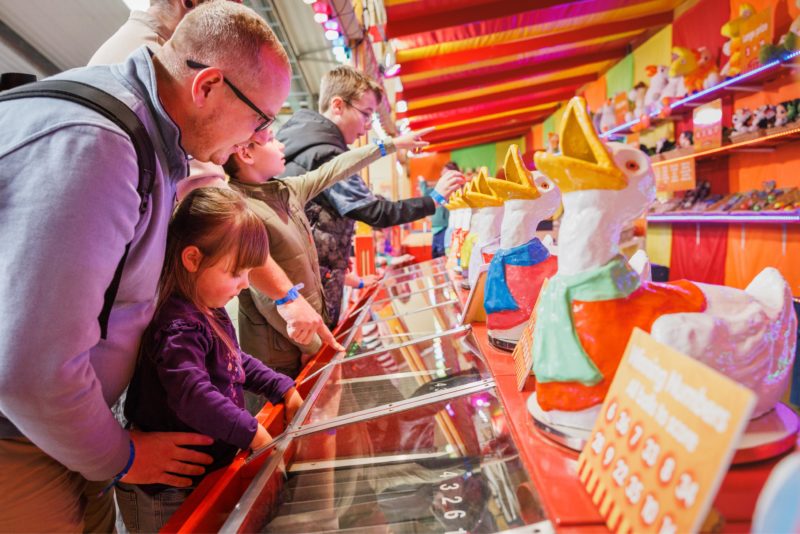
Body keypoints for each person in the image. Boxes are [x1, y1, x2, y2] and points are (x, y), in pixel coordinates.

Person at [0, 3, 290, 531]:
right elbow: (29, 370)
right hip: (20, 440)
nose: (257, 140)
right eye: (261, 119)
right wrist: (121, 455)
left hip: (61, 432)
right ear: (208, 86)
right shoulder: (99, 144)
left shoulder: (146, 138)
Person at [89, 0, 340, 363]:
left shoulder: (155, 62)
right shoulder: (152, 73)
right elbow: (217, 208)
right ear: (206, 87)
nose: (249, 140)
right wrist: (288, 301)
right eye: (259, 121)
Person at [118, 187, 302, 532]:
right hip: (167, 491)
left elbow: (234, 360)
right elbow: (192, 395)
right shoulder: (178, 323)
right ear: (192, 259)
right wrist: (252, 433)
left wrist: (280, 387)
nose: (245, 284)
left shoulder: (208, 309)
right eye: (236, 273)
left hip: (199, 479)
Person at [223, 126, 430, 382]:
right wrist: (314, 345)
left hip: (309, 338)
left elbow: (335, 169)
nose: (282, 146)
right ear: (245, 153)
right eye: (271, 140)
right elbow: (267, 297)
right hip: (280, 355)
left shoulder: (285, 191)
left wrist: (390, 145)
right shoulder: (240, 210)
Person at [278, 65, 464, 324]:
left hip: (300, 281)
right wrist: (433, 200)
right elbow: (375, 211)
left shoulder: (306, 143)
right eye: (365, 115)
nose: (366, 128)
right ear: (338, 105)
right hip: (304, 290)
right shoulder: (325, 153)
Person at [418, 161, 459, 258]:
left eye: (446, 174)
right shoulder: (443, 189)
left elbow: (426, 193)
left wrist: (422, 182)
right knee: (437, 255)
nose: (443, 177)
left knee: (442, 255)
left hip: (445, 227)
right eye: (443, 174)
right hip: (438, 228)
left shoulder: (453, 189)